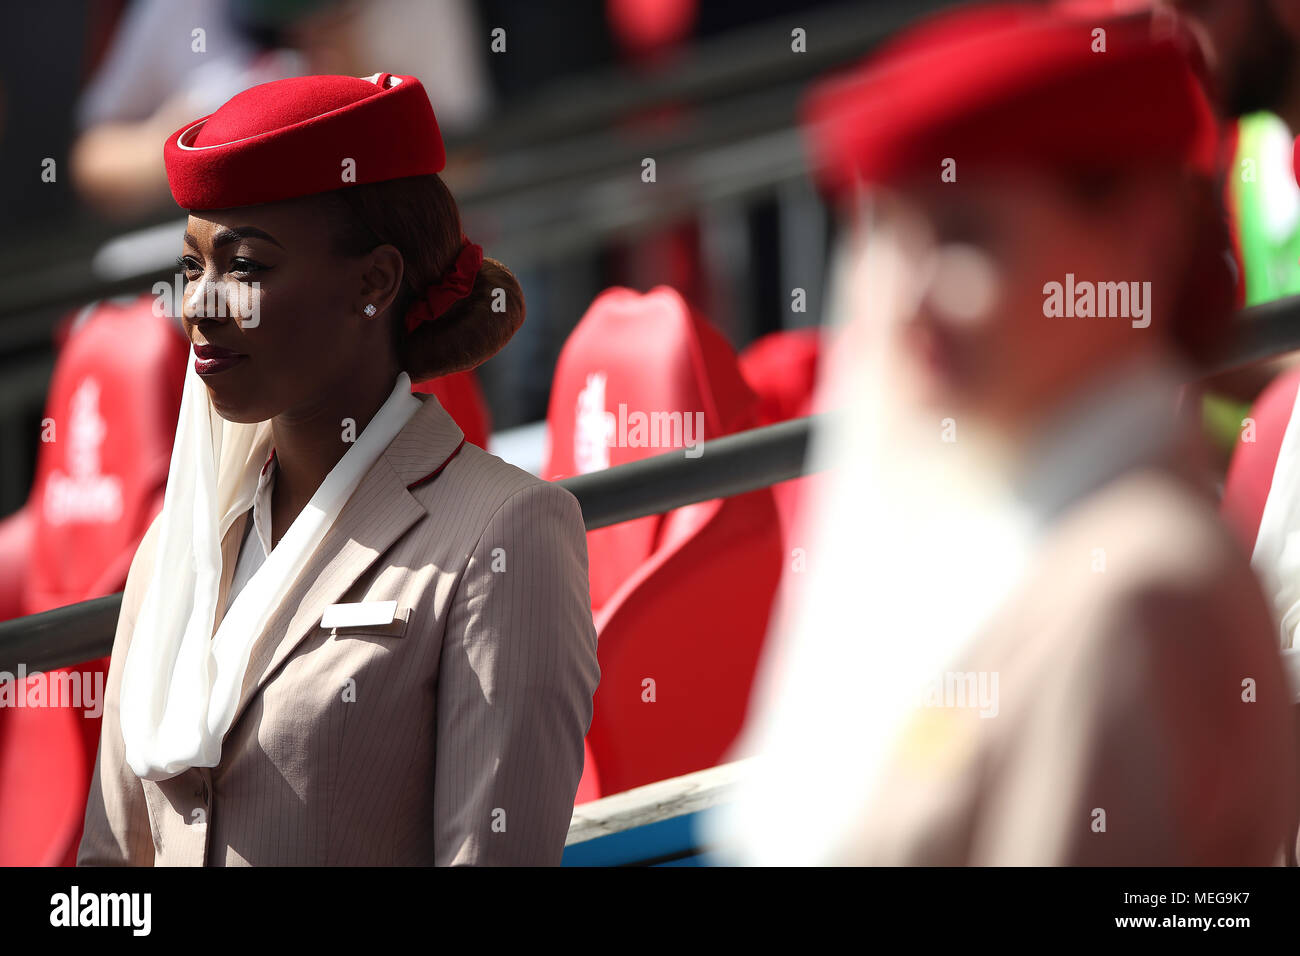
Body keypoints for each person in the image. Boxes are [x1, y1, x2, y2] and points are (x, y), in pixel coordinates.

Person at [702, 4, 1299, 865]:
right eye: (884, 236)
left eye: (964, 235)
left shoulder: (1139, 593)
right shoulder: (1000, 529)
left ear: (1137, 234)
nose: (906, 296)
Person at [77, 71, 600, 866]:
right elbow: (109, 872)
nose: (201, 305)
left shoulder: (504, 535)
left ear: (374, 282)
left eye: (246, 267)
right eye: (192, 268)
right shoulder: (178, 544)